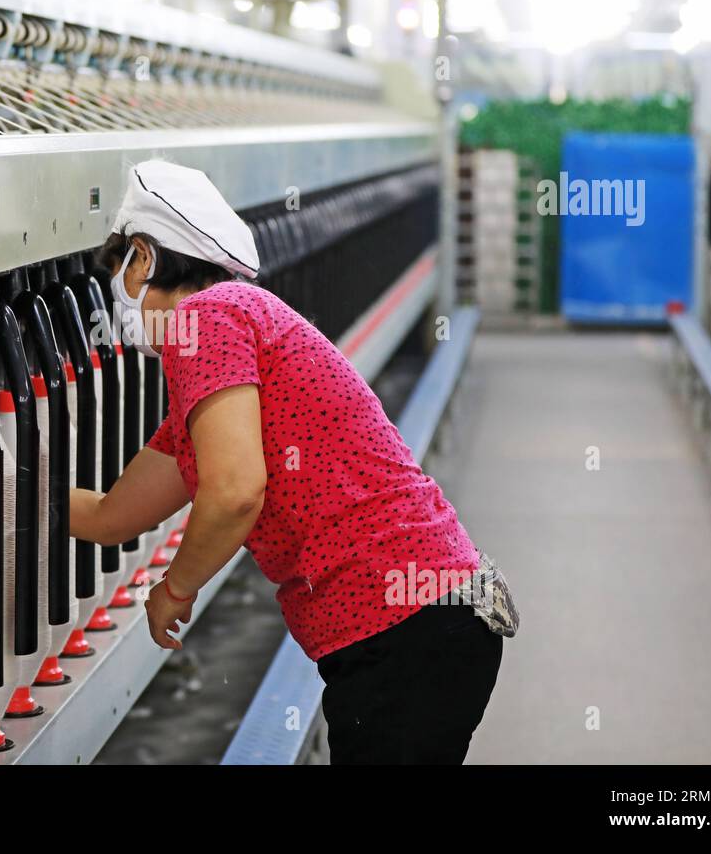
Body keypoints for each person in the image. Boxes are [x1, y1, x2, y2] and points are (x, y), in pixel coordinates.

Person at [69, 158, 504, 764]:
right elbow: (112, 517)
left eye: (119, 269)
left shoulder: (208, 316)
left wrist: (176, 589)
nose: (120, 296)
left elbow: (236, 491)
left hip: (406, 628)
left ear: (144, 257)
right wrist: (1, 483)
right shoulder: (208, 389)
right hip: (415, 628)